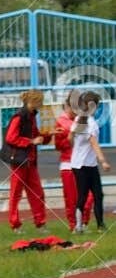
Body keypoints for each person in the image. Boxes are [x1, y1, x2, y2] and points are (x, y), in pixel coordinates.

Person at [3, 89, 48, 233]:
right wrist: (30, 141)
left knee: (38, 193)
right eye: (40, 101)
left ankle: (40, 223)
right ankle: (15, 224)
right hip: (19, 161)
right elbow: (10, 138)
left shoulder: (31, 116)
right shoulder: (19, 117)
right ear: (33, 101)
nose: (42, 104)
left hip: (30, 161)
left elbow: (35, 135)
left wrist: (47, 136)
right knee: (16, 194)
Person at [53, 96, 93, 233]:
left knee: (88, 196)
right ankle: (74, 225)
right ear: (68, 107)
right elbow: (58, 145)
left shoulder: (83, 120)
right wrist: (69, 139)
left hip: (84, 164)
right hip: (68, 165)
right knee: (71, 198)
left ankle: (83, 223)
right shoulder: (62, 122)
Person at [70, 92, 109, 233]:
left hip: (84, 163)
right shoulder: (89, 123)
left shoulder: (79, 120)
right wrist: (103, 161)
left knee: (97, 194)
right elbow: (93, 143)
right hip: (83, 165)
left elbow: (71, 137)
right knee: (84, 195)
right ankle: (79, 226)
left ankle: (99, 224)